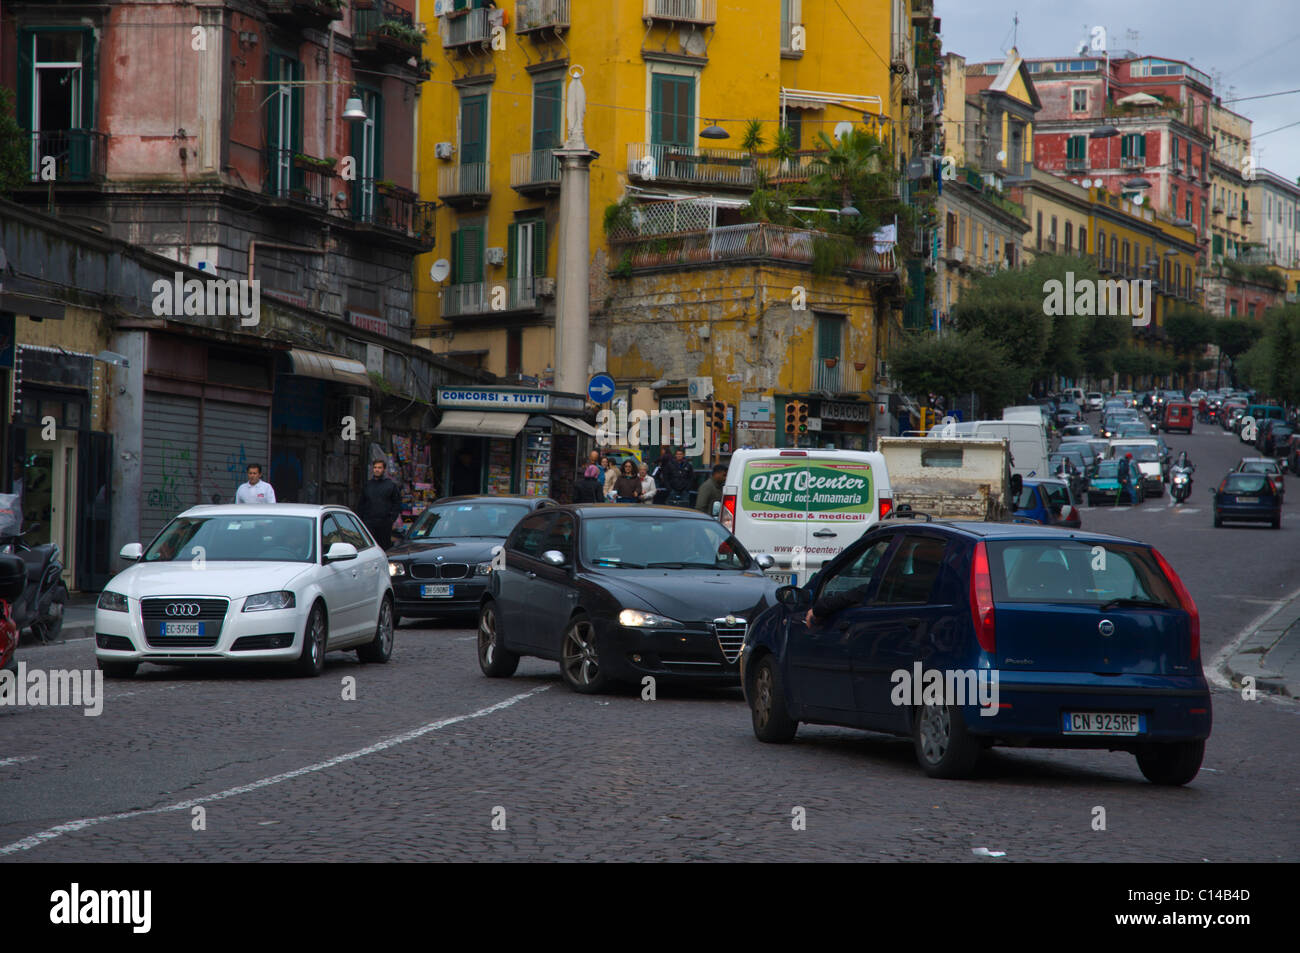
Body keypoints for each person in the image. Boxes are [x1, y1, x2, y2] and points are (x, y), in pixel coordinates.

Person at [356, 459, 403, 549]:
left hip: (384, 524)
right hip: (369, 523)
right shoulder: (368, 485)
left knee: (384, 548)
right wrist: (362, 519)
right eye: (375, 467)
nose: (377, 470)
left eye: (379, 468)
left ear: (384, 469)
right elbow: (361, 503)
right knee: (370, 548)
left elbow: (397, 503)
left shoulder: (390, 485)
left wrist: (391, 519)